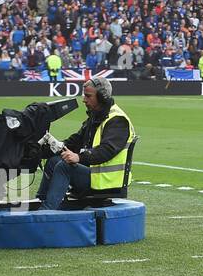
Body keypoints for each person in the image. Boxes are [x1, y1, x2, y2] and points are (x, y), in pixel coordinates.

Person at [35, 77, 137, 211]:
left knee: (65, 166)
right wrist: (48, 148)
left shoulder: (117, 120)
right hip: (94, 174)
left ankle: (46, 212)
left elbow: (106, 150)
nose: (84, 99)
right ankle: (40, 201)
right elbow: (75, 141)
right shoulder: (96, 116)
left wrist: (79, 157)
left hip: (106, 181)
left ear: (102, 97)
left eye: (88, 96)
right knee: (54, 161)